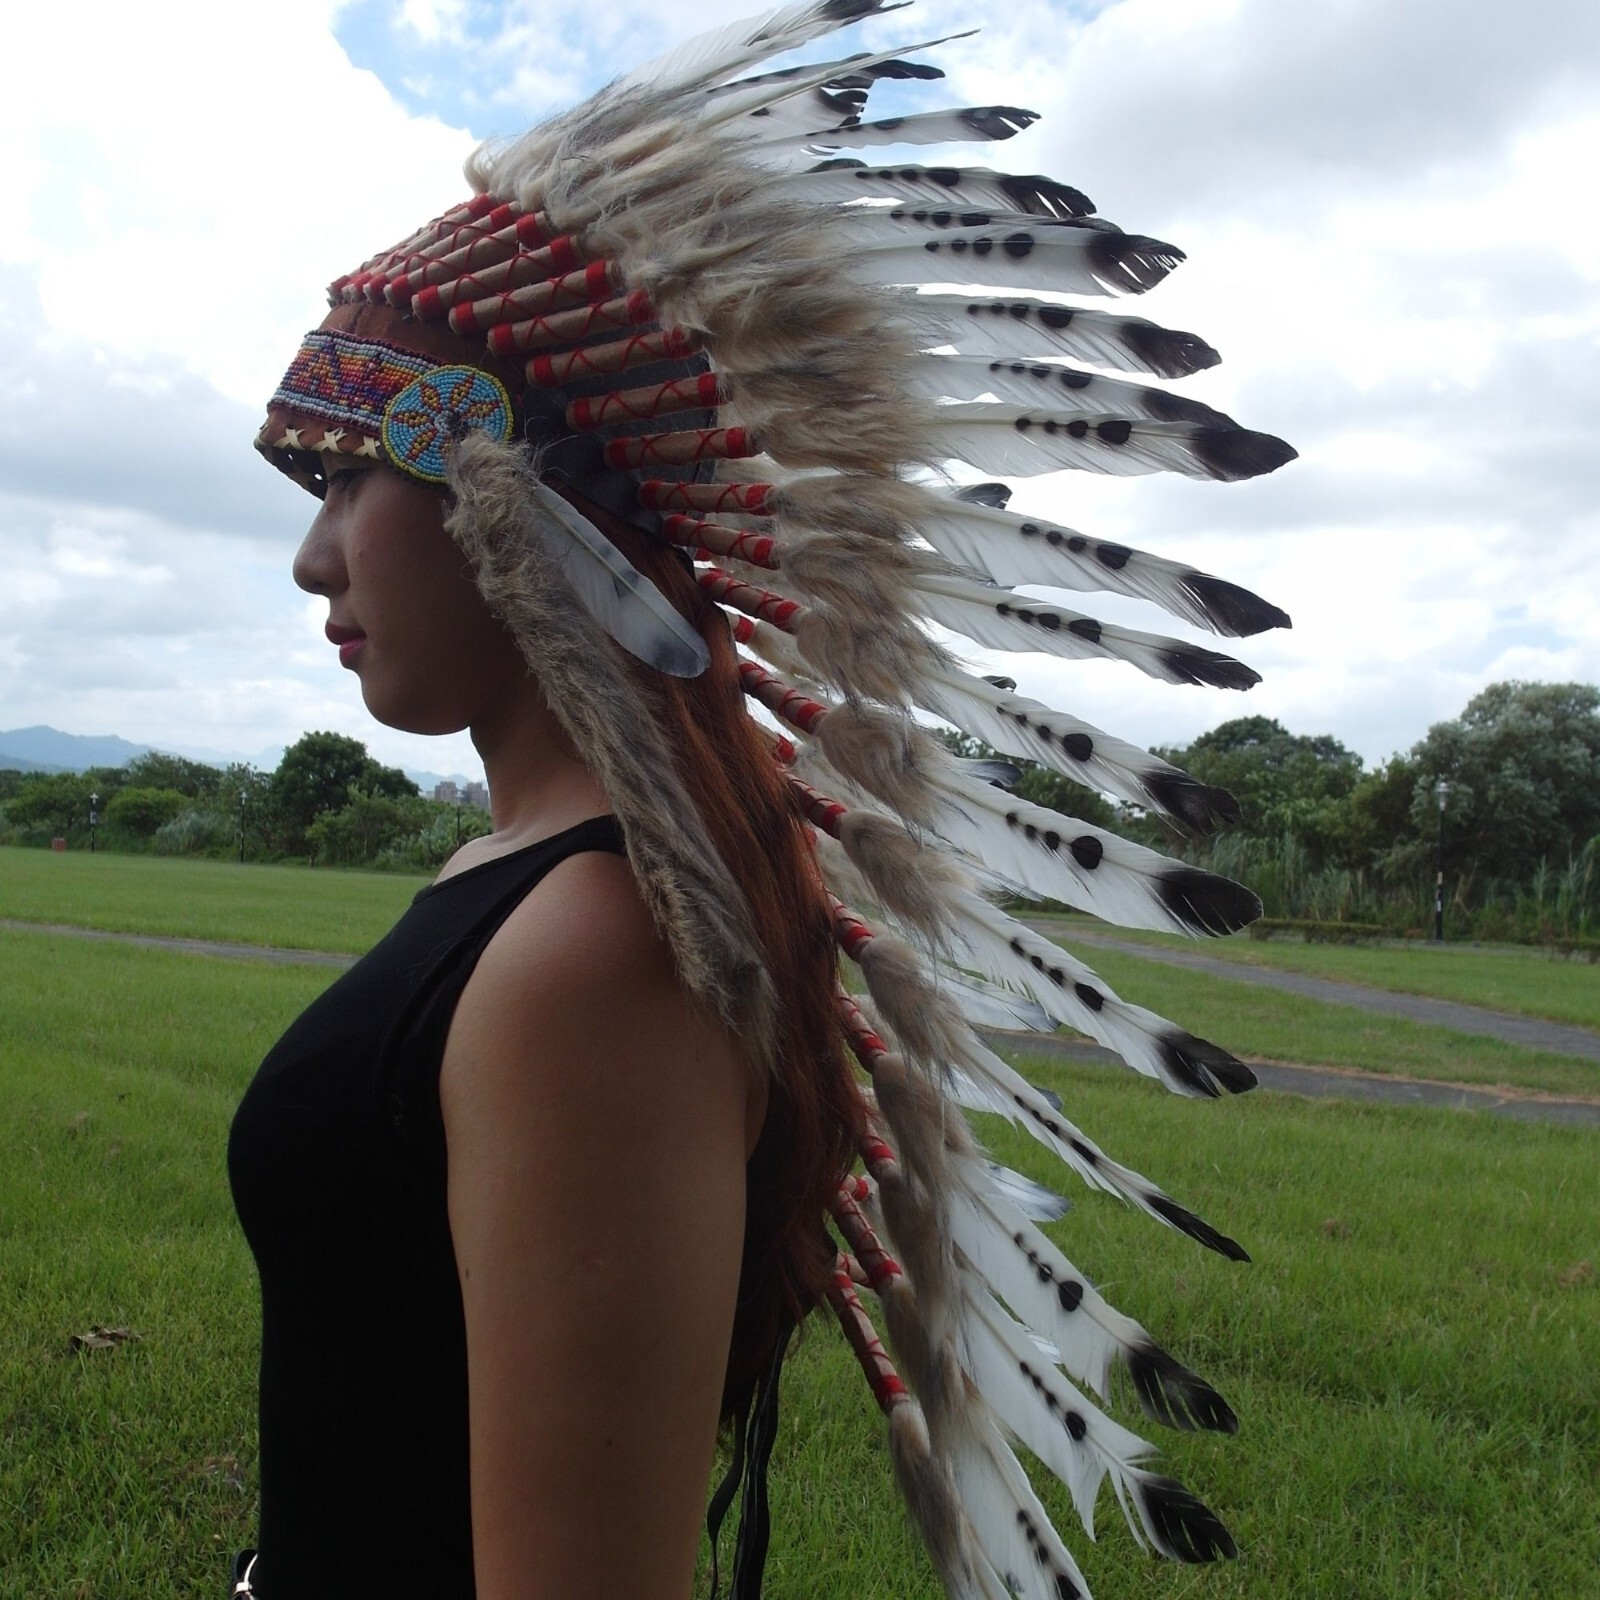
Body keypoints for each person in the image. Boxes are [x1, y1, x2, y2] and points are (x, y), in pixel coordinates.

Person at [228, 4, 1295, 1597]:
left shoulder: (596, 950)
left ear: (501, 484)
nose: (314, 554)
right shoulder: (513, 878)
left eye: (343, 472)